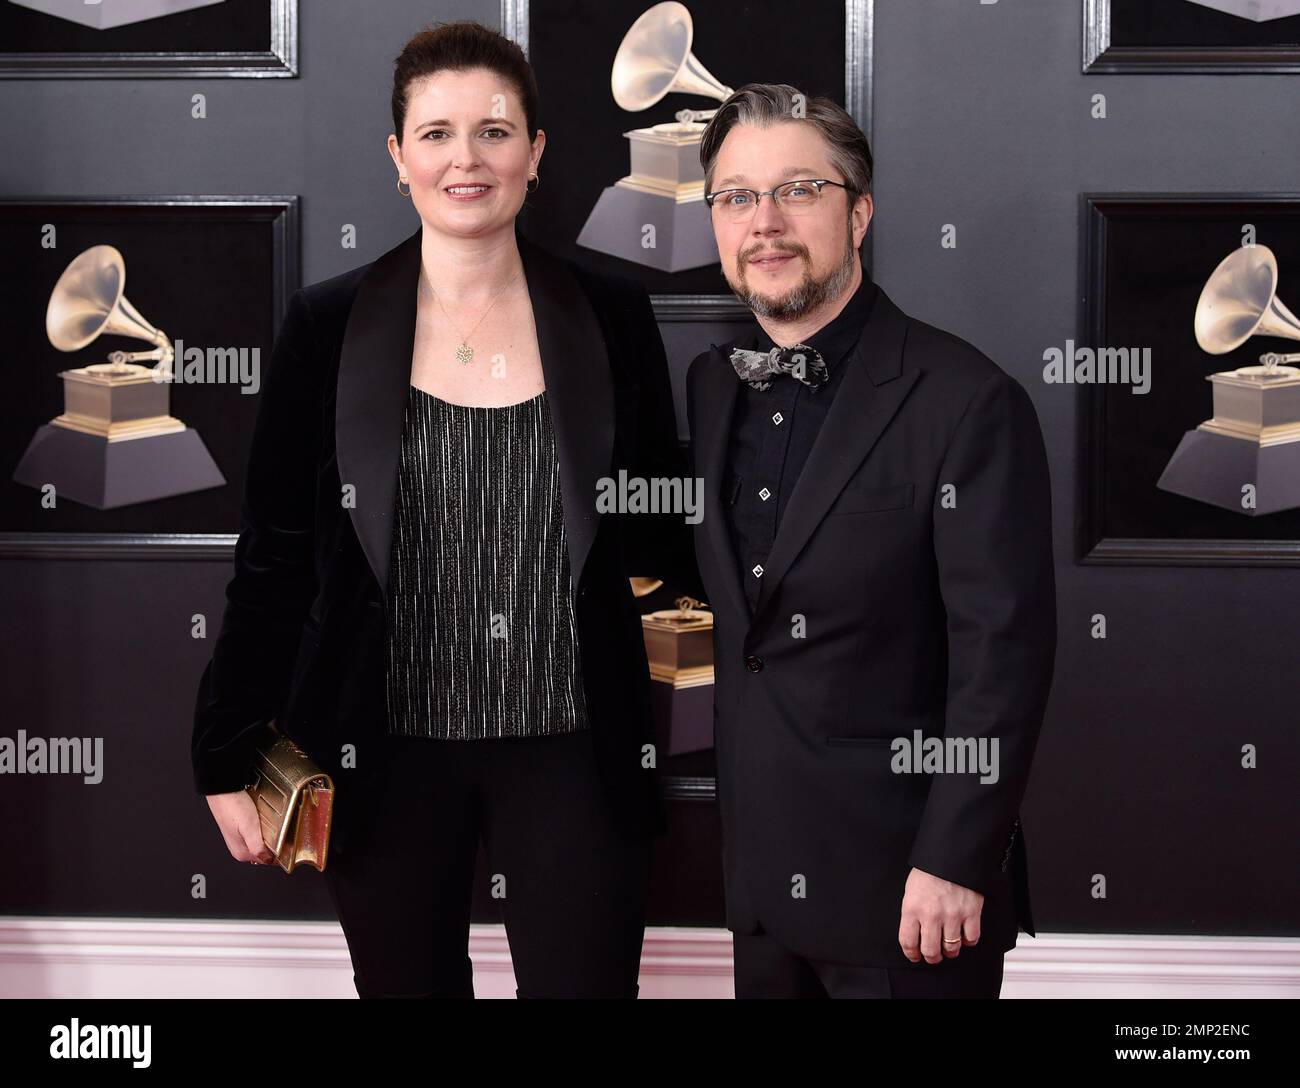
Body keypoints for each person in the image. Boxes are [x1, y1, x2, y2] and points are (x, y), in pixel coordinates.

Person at [192, 21, 696, 999]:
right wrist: (223, 748)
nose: (465, 158)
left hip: (573, 746)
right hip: (382, 749)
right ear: (398, 157)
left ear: (536, 153)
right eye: (435, 133)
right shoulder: (326, 323)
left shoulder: (612, 313)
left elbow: (654, 529)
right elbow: (275, 557)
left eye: (494, 131)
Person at [685, 84, 1057, 998]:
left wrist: (957, 858)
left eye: (797, 191)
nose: (764, 222)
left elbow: (1001, 656)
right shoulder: (709, 386)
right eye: (736, 197)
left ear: (859, 212)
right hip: (762, 894)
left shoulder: (967, 401)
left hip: (913, 903)